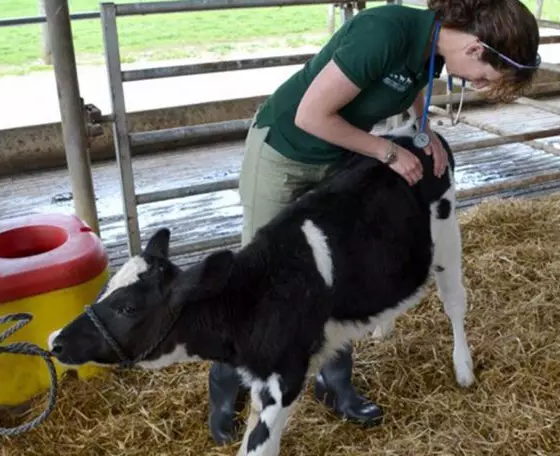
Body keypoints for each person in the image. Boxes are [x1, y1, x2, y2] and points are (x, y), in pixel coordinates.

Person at [208, 0, 541, 444]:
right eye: (481, 77)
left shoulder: (437, 49)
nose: (473, 85)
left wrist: (421, 129)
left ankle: (334, 384)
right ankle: (228, 392)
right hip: (284, 153)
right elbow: (310, 115)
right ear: (478, 47)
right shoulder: (384, 32)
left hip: (338, 156)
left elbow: (413, 84)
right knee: (258, 285)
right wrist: (388, 151)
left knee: (340, 274)